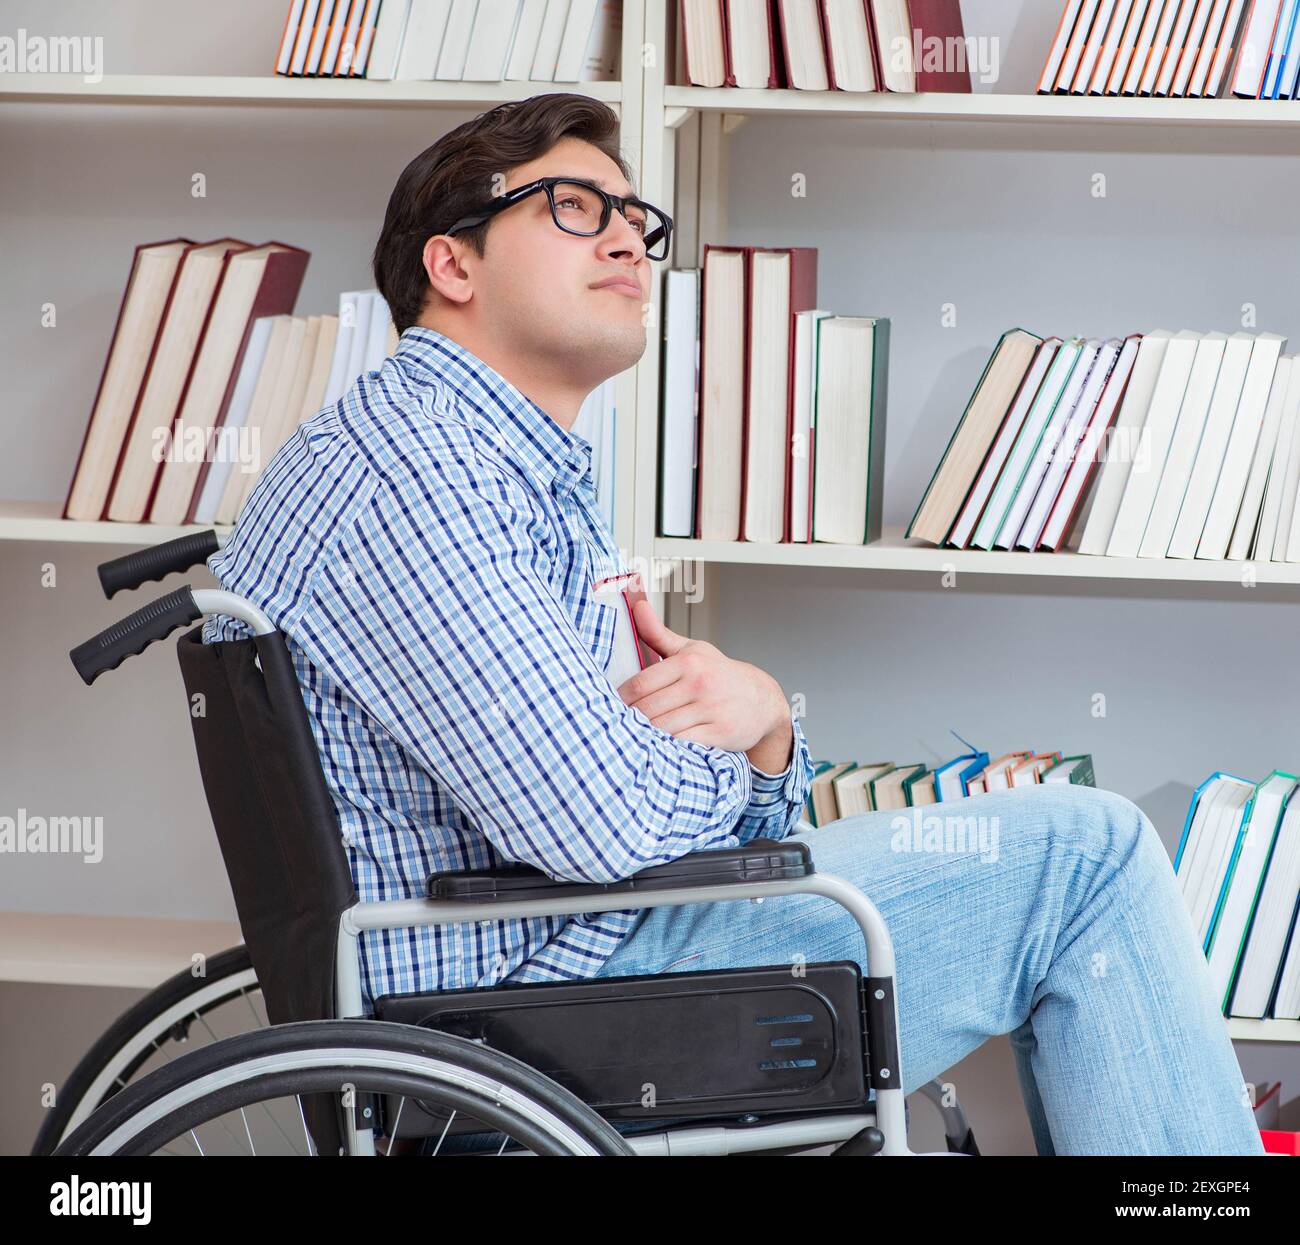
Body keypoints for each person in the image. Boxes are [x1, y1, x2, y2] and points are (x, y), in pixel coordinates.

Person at [203, 93, 1263, 1156]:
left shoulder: (479, 465)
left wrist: (752, 741)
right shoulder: (419, 474)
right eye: (573, 207)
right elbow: (602, 825)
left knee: (1065, 846)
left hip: (562, 965)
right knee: (1087, 853)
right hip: (535, 1013)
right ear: (454, 265)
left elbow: (639, 798)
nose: (629, 238)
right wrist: (748, 734)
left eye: (635, 217)